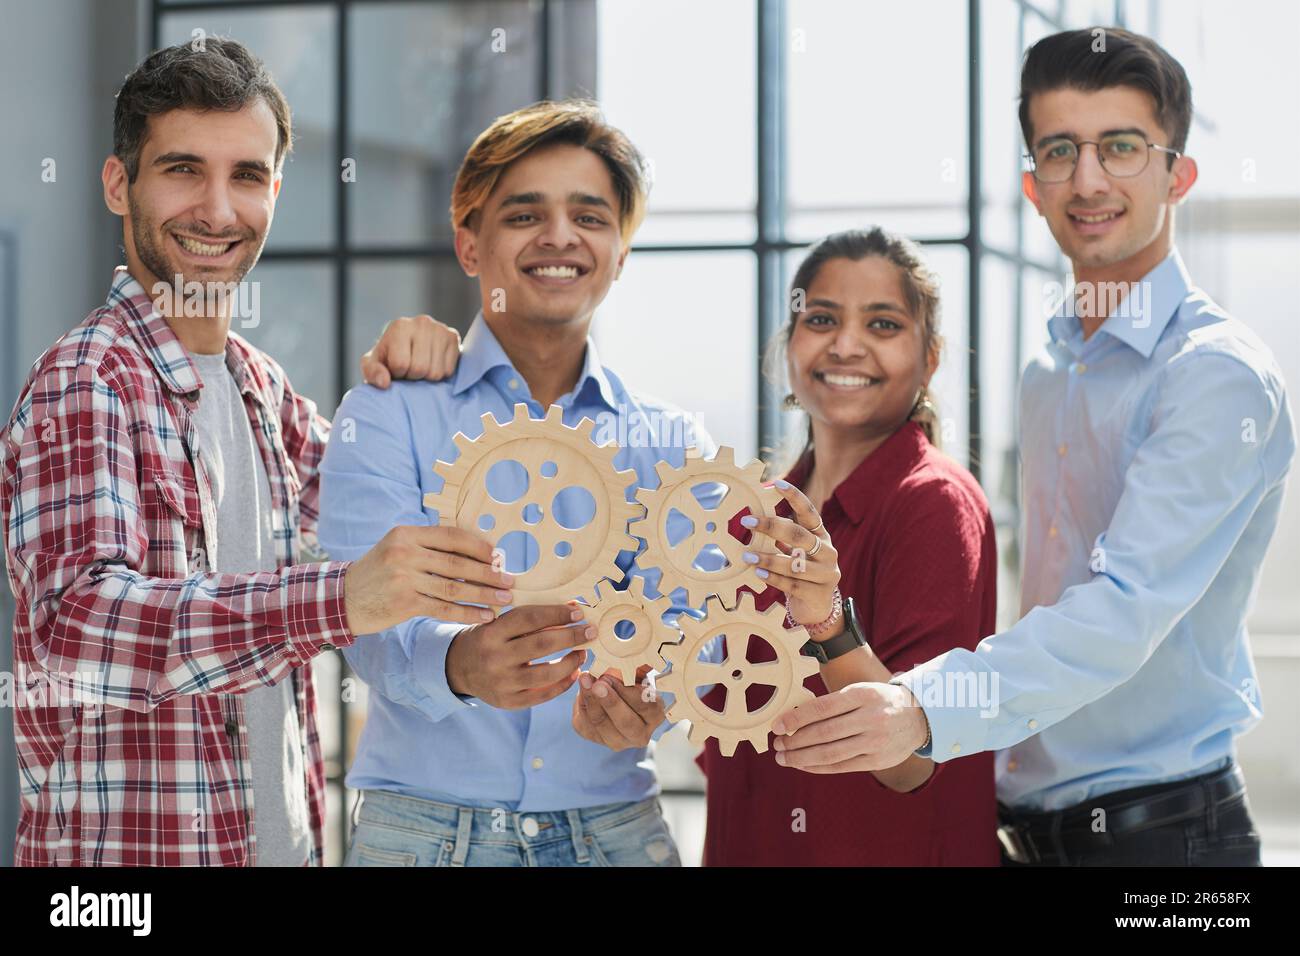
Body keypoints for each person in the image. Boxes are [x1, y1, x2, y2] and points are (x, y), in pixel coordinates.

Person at [773, 27, 1294, 867]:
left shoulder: (1216, 378)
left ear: (1179, 174)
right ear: (1033, 184)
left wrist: (923, 706)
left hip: (1165, 841)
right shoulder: (1052, 365)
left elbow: (1121, 608)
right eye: (1061, 151)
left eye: (1121, 148)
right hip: (1033, 832)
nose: (1088, 179)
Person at [0, 38, 485, 866]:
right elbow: (79, 626)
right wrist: (335, 601)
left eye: (248, 176)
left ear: (276, 192)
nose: (219, 211)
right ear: (120, 184)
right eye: (184, 169)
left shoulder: (263, 390)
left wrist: (419, 383)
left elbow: (399, 523)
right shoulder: (86, 380)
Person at [318, 99, 716, 867]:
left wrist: (653, 701)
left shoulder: (671, 442)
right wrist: (458, 665)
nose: (560, 238)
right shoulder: (387, 413)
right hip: (425, 837)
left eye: (591, 217)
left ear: (621, 252)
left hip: (614, 832)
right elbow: (360, 616)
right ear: (469, 245)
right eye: (525, 214)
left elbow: (689, 623)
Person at [693, 228, 1000, 865]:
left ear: (931, 358)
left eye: (883, 324)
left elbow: (912, 761)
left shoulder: (933, 503)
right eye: (822, 318)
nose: (847, 344)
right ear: (789, 345)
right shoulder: (757, 516)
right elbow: (727, 736)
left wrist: (829, 625)